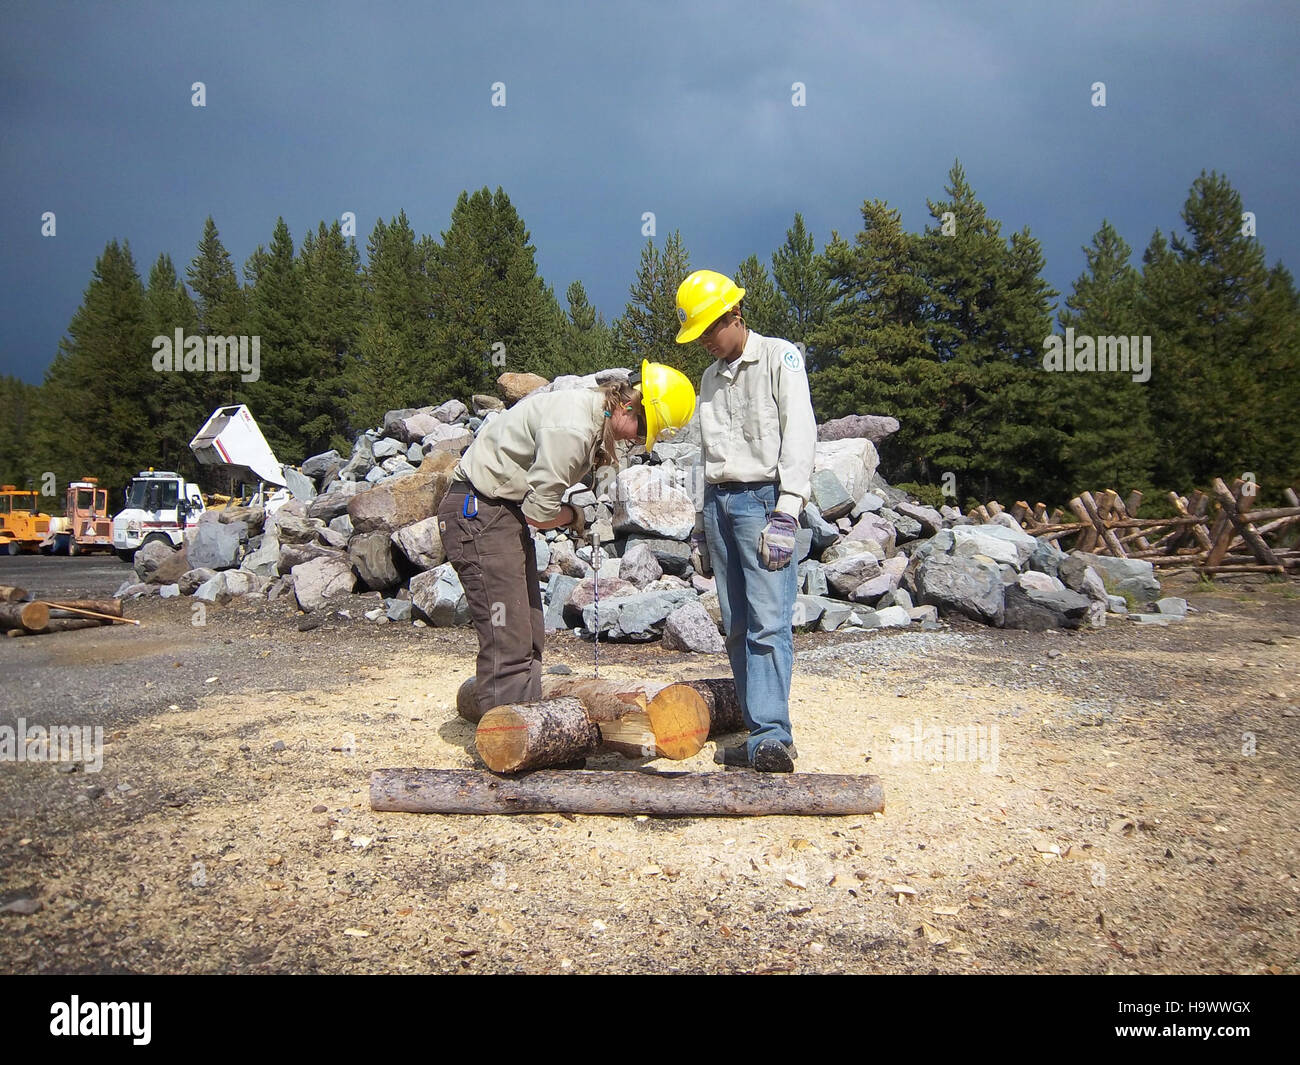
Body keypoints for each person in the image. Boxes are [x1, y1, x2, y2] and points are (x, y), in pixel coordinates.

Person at [439, 364, 696, 721]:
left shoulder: (595, 418)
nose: (638, 440)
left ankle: (529, 728)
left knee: (528, 630)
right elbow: (538, 513)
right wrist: (575, 516)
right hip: (478, 512)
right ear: (628, 406)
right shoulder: (574, 428)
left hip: (499, 512)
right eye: (642, 430)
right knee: (507, 636)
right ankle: (504, 740)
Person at [675, 269, 817, 773]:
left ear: (734, 315)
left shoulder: (781, 358)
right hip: (719, 503)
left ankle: (774, 735)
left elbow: (800, 433)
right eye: (699, 337)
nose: (706, 344)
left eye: (710, 332)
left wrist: (789, 509)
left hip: (764, 503)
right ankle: (759, 734)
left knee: (769, 623)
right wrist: (699, 521)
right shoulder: (709, 379)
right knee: (736, 626)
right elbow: (701, 454)